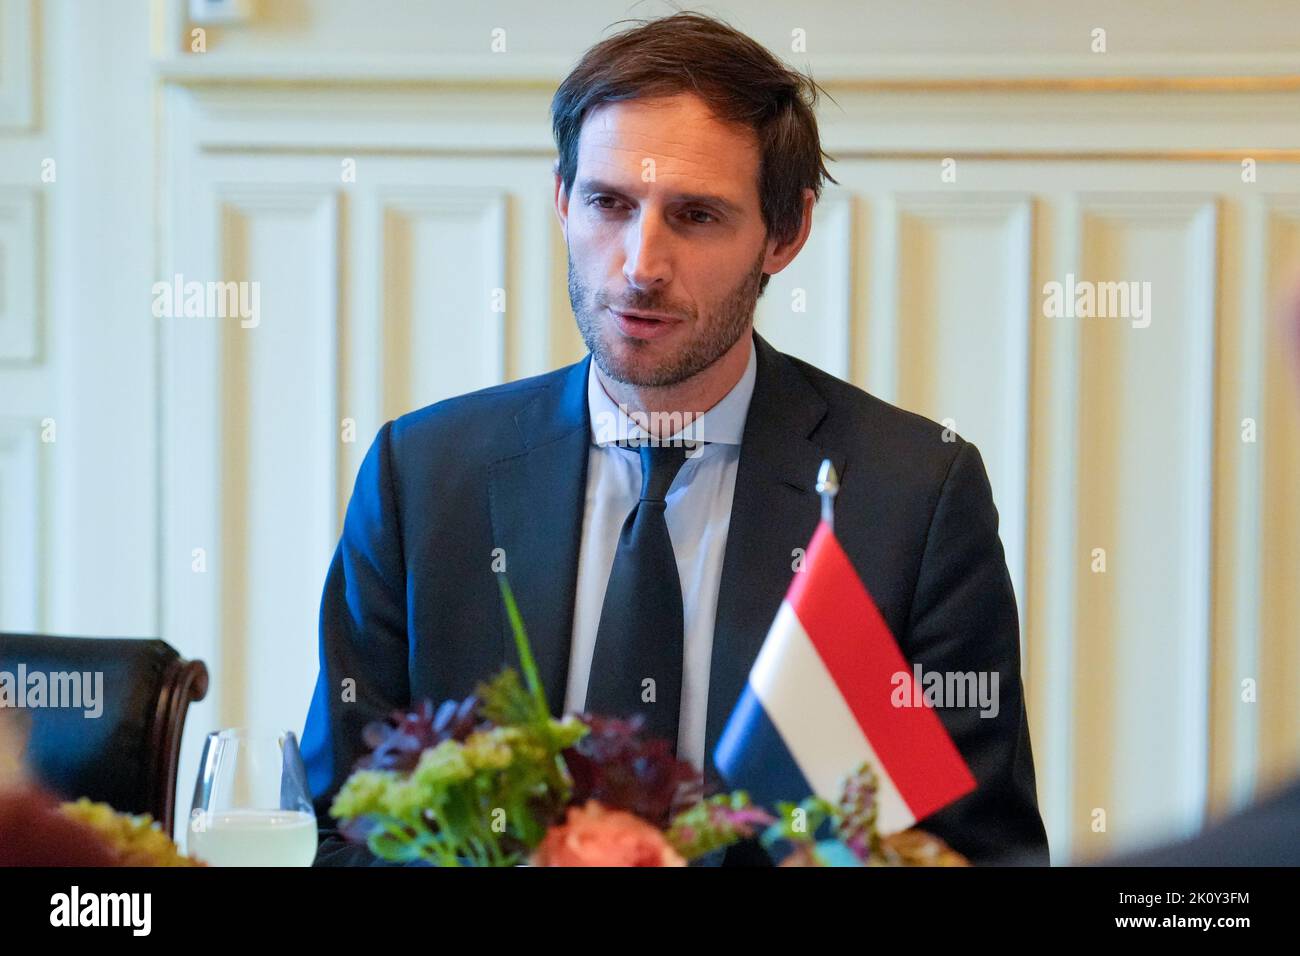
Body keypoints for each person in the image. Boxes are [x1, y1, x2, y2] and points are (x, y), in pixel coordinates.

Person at [301, 11, 1049, 866]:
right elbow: (339, 829)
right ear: (560, 199)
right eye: (609, 204)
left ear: (786, 233)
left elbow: (980, 853)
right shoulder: (423, 478)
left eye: (695, 216)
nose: (640, 264)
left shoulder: (910, 499)